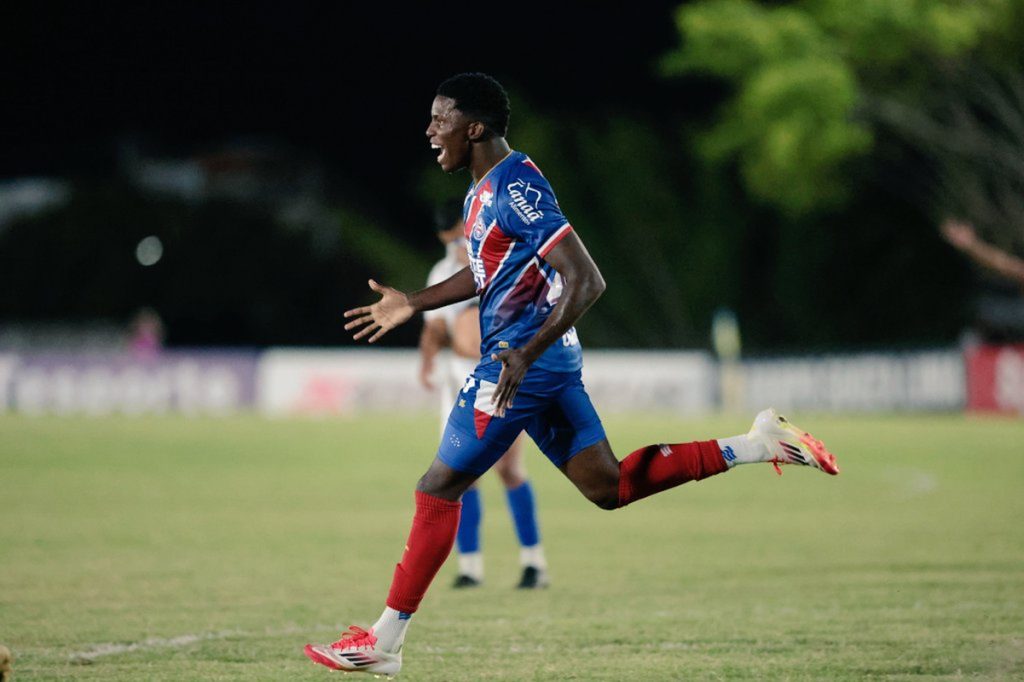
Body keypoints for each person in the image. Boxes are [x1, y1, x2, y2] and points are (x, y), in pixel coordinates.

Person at [304, 73, 840, 677]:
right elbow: (487, 274)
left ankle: (384, 641)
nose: (430, 131)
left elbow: (587, 279)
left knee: (438, 487)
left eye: (440, 118)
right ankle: (755, 443)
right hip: (536, 362)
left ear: (473, 126)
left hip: (520, 363)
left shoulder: (517, 187)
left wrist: (526, 355)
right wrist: (415, 302)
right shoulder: (480, 192)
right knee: (606, 487)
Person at [419, 199, 549, 589]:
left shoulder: (503, 265)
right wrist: (426, 358)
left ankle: (534, 563)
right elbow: (435, 328)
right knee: (461, 474)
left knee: (508, 469)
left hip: (500, 380)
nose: (456, 242)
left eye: (459, 234)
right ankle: (470, 567)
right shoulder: (443, 272)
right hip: (459, 383)